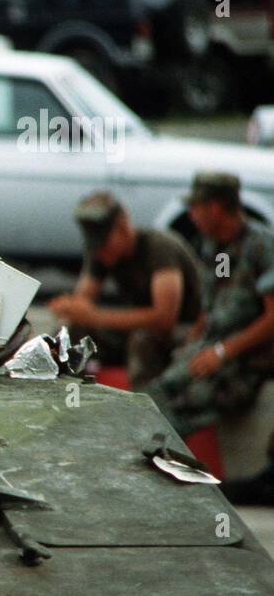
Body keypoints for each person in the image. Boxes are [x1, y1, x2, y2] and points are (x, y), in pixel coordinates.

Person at [145, 172, 274, 437]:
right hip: (213, 346)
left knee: (184, 405)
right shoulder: (217, 248)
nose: (192, 215)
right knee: (157, 392)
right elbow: (217, 296)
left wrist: (222, 352)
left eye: (196, 207)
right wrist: (193, 341)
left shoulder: (260, 246)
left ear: (214, 209)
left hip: (246, 359)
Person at [48, 192, 203, 388]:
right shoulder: (103, 252)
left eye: (104, 244)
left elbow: (165, 318)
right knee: (72, 331)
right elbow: (83, 300)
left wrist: (96, 316)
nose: (100, 252)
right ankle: (67, 395)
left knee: (143, 338)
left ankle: (147, 404)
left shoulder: (159, 248)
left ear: (123, 227)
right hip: (136, 330)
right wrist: (71, 309)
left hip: (184, 331)